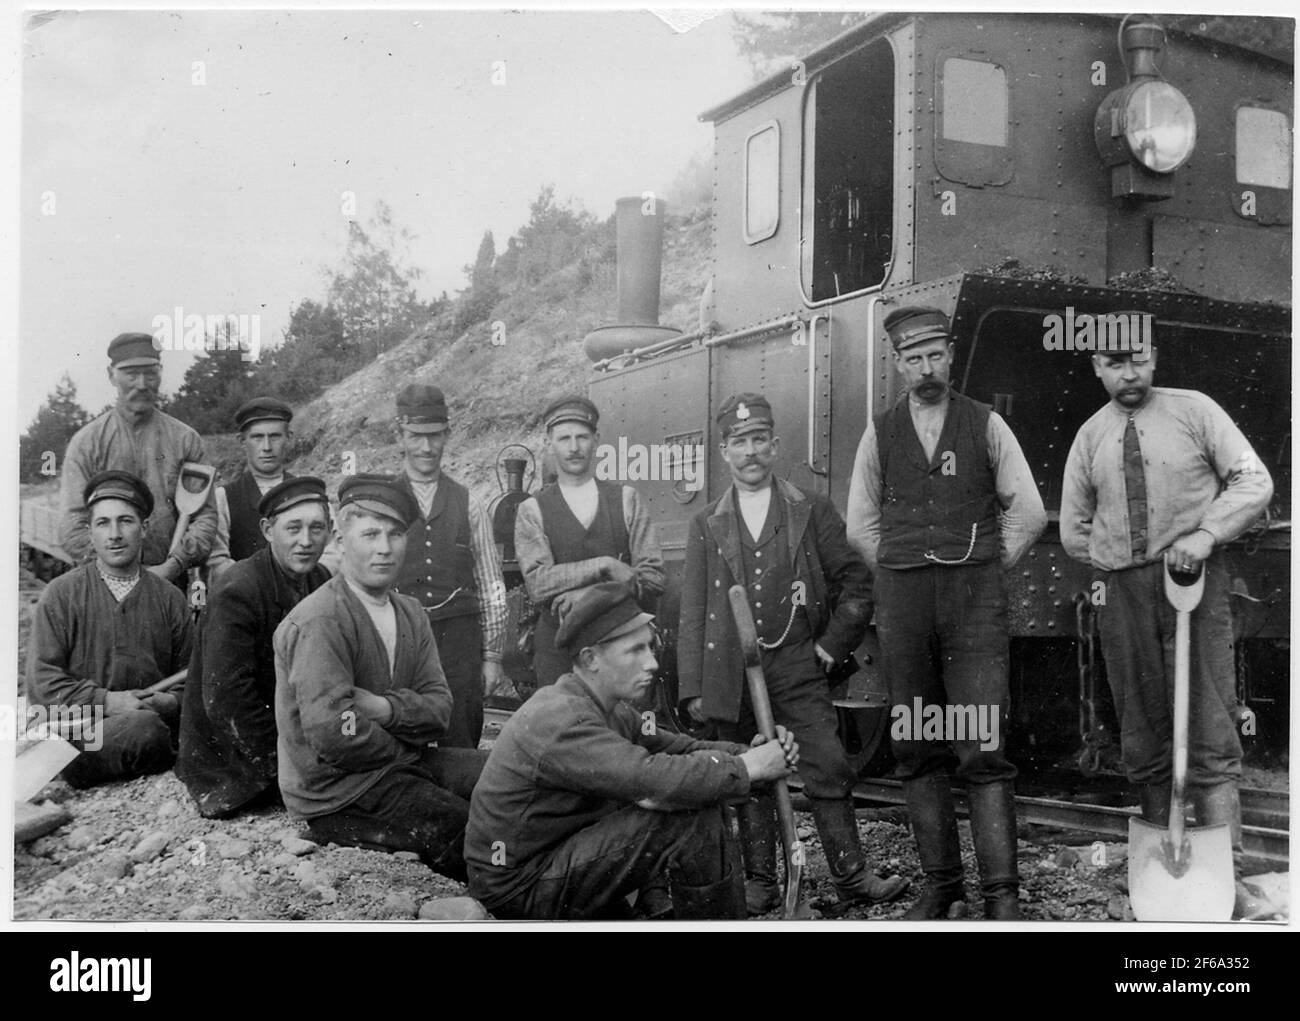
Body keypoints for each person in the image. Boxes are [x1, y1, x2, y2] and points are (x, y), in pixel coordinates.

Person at [1059, 330, 1273, 916]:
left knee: (1208, 723)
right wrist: (1117, 565)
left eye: (1138, 360)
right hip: (1124, 591)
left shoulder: (1195, 411)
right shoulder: (1091, 435)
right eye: (1113, 363)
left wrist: (1204, 536)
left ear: (1154, 359)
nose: (1127, 374)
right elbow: (1074, 525)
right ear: (1096, 367)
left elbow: (1254, 481)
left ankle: (1226, 874)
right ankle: (1163, 869)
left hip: (1194, 582)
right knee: (1142, 726)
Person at [846, 306, 1046, 920]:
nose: (926, 368)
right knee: (916, 745)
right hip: (904, 606)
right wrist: (911, 566)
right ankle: (941, 887)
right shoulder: (880, 432)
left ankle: (1002, 898)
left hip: (974, 606)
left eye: (935, 355)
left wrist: (982, 566)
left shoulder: (986, 424)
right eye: (914, 358)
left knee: (982, 747)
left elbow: (1029, 512)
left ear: (951, 355)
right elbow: (861, 526)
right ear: (899, 363)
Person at [679, 392, 908, 915]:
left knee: (827, 763)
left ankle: (851, 877)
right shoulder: (705, 523)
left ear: (775, 444)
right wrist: (693, 684)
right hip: (730, 674)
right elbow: (692, 609)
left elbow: (856, 583)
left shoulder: (809, 508)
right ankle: (760, 881)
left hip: (797, 665)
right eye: (740, 442)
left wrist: (829, 647)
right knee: (750, 773)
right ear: (723, 452)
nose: (751, 451)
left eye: (760, 439)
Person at [465, 581, 798, 920]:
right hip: (521, 885)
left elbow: (680, 747)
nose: (652, 663)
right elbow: (649, 777)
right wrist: (746, 769)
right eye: (636, 650)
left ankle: (666, 909)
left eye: (650, 649)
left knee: (701, 785)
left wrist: (751, 751)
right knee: (688, 818)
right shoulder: (564, 719)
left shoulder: (613, 709)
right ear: (591, 658)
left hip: (556, 855)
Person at [273, 474, 487, 880]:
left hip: (398, 764)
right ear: (340, 538)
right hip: (338, 793)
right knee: (473, 833)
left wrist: (385, 708)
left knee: (507, 774)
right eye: (370, 534)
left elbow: (440, 708)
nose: (384, 548)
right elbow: (335, 732)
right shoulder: (322, 619)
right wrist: (406, 735)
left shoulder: (411, 613)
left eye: (395, 534)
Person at [177, 477, 332, 818]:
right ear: (267, 530)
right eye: (293, 528)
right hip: (230, 764)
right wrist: (291, 764)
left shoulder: (320, 580)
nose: (305, 541)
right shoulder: (239, 589)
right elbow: (227, 700)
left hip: (286, 736)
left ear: (330, 531)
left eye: (316, 528)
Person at [27, 470, 192, 788]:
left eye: (125, 521)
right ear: (90, 532)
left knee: (149, 727)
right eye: (103, 523)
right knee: (145, 731)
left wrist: (168, 702)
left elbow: (192, 678)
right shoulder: (61, 594)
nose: (114, 534)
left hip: (149, 720)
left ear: (144, 528)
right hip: (79, 731)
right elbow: (44, 687)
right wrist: (111, 702)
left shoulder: (170, 598)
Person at [390, 384, 510, 748]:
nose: (426, 448)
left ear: (447, 435)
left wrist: (491, 657)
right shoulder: (384, 500)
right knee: (400, 737)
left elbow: (492, 586)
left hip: (458, 643)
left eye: (435, 436)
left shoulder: (469, 503)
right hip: (399, 639)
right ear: (400, 435)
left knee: (460, 738)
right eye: (415, 436)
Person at [514, 395, 664, 686]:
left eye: (582, 437)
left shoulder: (626, 500)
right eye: (564, 438)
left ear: (596, 440)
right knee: (564, 728)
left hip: (623, 649)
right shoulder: (532, 510)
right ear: (549, 443)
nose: (573, 448)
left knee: (622, 730)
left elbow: (654, 578)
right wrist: (603, 566)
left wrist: (588, 596)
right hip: (559, 653)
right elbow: (539, 583)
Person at [59, 332, 216, 581]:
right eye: (131, 374)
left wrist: (175, 564)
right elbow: (73, 525)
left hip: (170, 581)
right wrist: (118, 569)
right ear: (112, 375)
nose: (142, 384)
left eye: (150, 373)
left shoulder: (185, 439)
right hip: (104, 582)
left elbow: (205, 516)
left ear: (160, 373)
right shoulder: (87, 443)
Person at [205, 397, 297, 581]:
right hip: (245, 600)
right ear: (242, 440)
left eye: (275, 436)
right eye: (257, 437)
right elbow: (216, 561)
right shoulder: (224, 498)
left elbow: (332, 555)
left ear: (289, 437)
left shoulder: (307, 491)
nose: (267, 447)